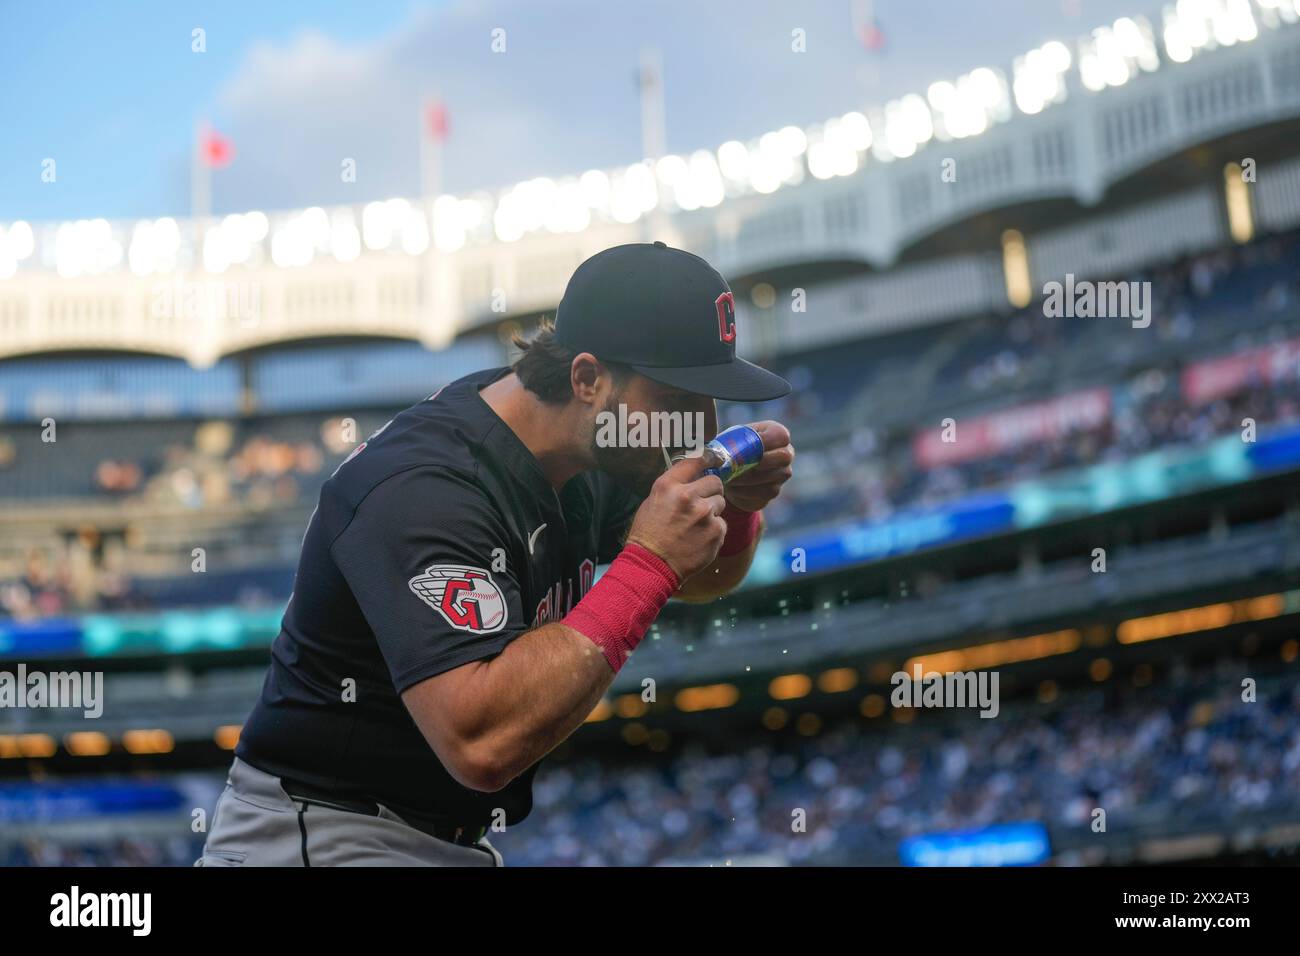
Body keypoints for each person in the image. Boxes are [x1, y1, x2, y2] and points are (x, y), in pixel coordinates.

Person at [196, 241, 795, 866]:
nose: (699, 425)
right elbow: (480, 742)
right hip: (322, 834)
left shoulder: (596, 442)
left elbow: (703, 579)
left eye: (711, 399)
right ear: (587, 378)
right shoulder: (425, 488)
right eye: (677, 397)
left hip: (429, 836)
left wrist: (741, 506)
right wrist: (649, 563)